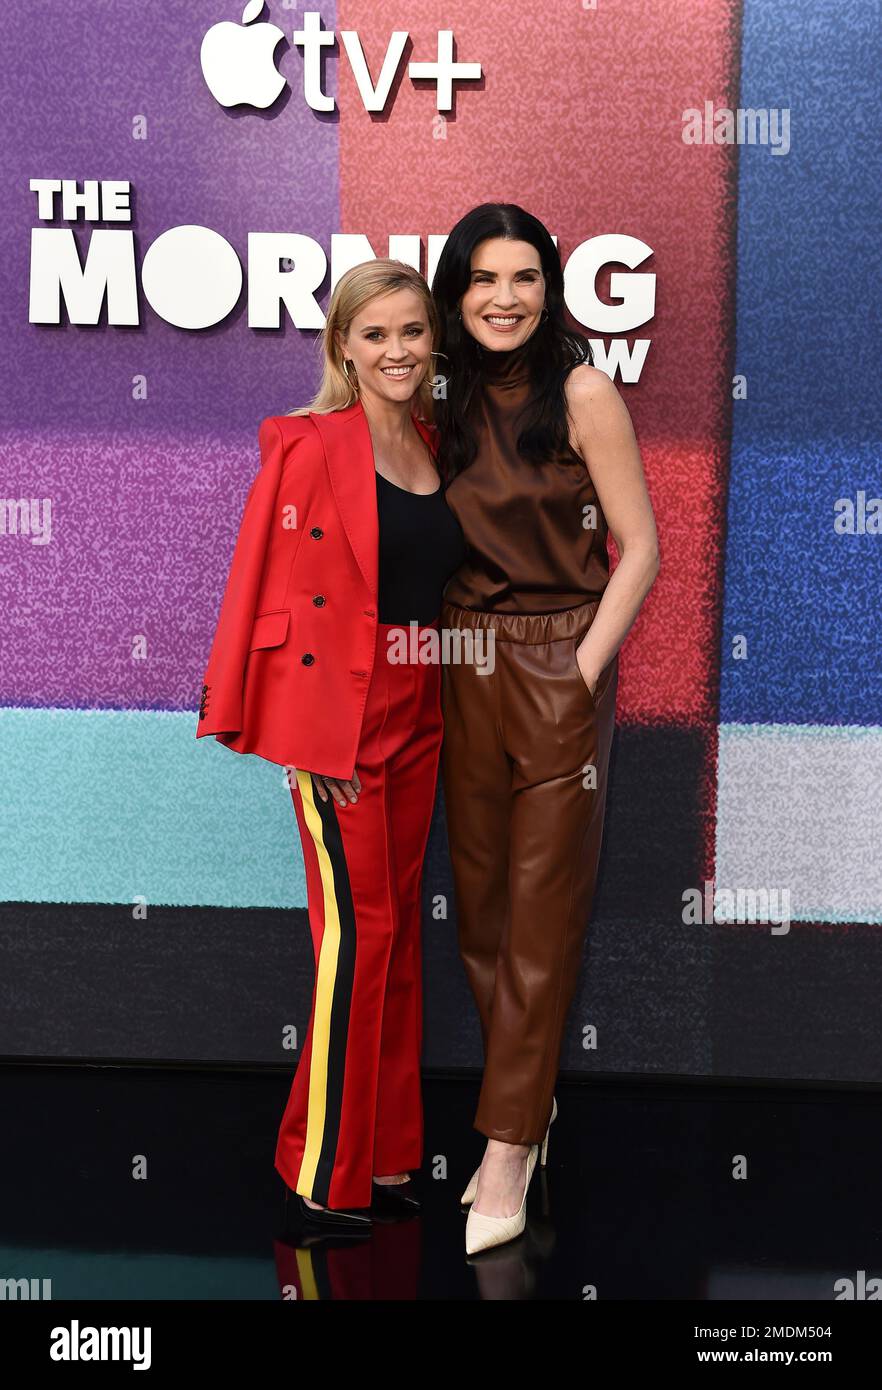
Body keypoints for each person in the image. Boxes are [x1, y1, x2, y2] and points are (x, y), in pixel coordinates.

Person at [197, 260, 465, 1229]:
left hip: (423, 709)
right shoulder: (310, 447)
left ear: (434, 341)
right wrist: (295, 739)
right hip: (338, 726)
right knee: (359, 939)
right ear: (342, 348)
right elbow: (260, 588)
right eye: (376, 335)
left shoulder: (439, 443)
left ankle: (387, 1156)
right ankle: (319, 1168)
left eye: (412, 332)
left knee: (396, 945)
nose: (396, 351)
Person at [432, 204, 660, 1255]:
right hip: (458, 664)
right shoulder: (435, 391)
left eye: (525, 277)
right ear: (457, 287)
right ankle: (531, 1105)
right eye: (485, 278)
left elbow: (640, 547)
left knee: (542, 917)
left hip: (555, 661)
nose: (505, 298)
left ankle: (510, 1147)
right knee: (480, 916)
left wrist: (576, 670)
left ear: (550, 287)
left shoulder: (582, 390)